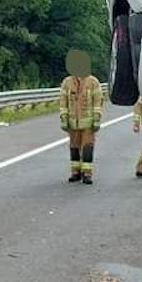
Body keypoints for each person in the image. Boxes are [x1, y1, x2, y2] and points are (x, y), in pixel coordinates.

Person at [59, 50, 103, 185]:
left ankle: (87, 174)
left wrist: (96, 119)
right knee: (74, 147)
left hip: (88, 123)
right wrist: (64, 118)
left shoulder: (93, 82)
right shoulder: (67, 82)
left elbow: (98, 102)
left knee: (87, 147)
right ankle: (75, 172)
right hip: (73, 123)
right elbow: (63, 102)